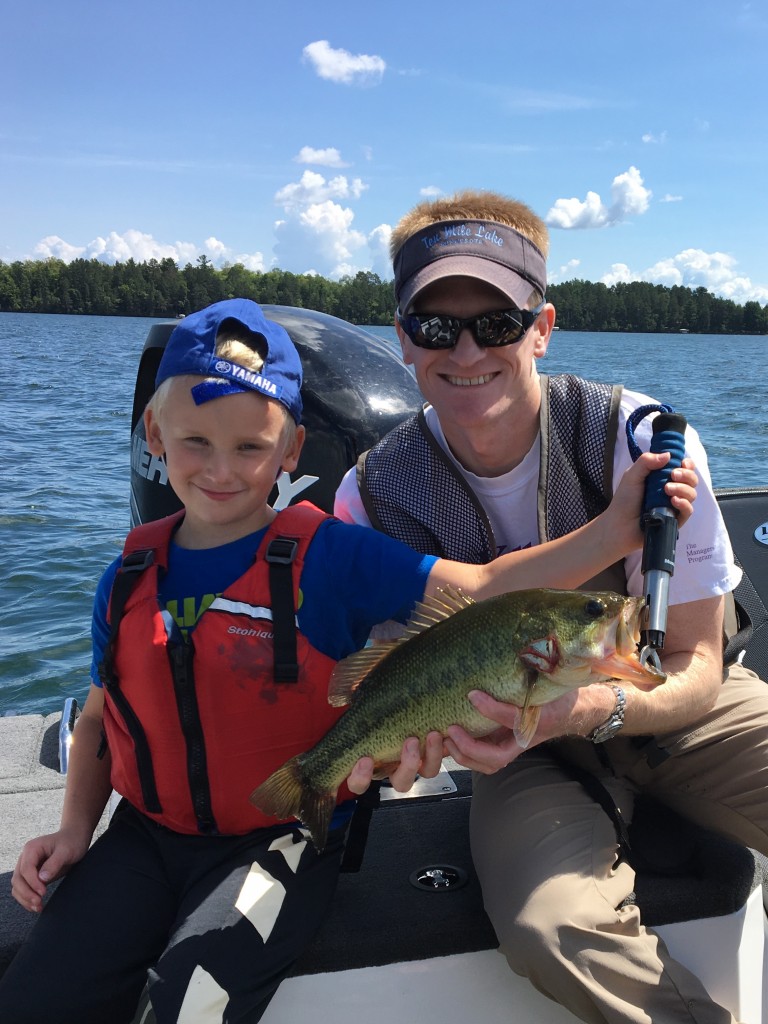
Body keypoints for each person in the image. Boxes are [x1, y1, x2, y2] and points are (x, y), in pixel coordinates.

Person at [0, 298, 695, 1024]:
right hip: (140, 838)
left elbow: (485, 587)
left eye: (249, 447)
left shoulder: (332, 555)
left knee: (188, 1004)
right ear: (153, 433)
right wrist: (75, 830)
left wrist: (616, 533)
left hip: (282, 836)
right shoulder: (126, 578)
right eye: (195, 442)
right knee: (34, 999)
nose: (220, 469)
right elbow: (104, 714)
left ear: (292, 451)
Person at [334, 190, 768, 1024]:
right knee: (550, 927)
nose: (466, 350)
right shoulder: (370, 495)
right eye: (435, 327)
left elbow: (698, 664)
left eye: (496, 323)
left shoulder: (640, 442)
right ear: (401, 340)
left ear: (541, 327)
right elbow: (390, 680)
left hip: (658, 696)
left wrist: (588, 708)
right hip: (514, 752)